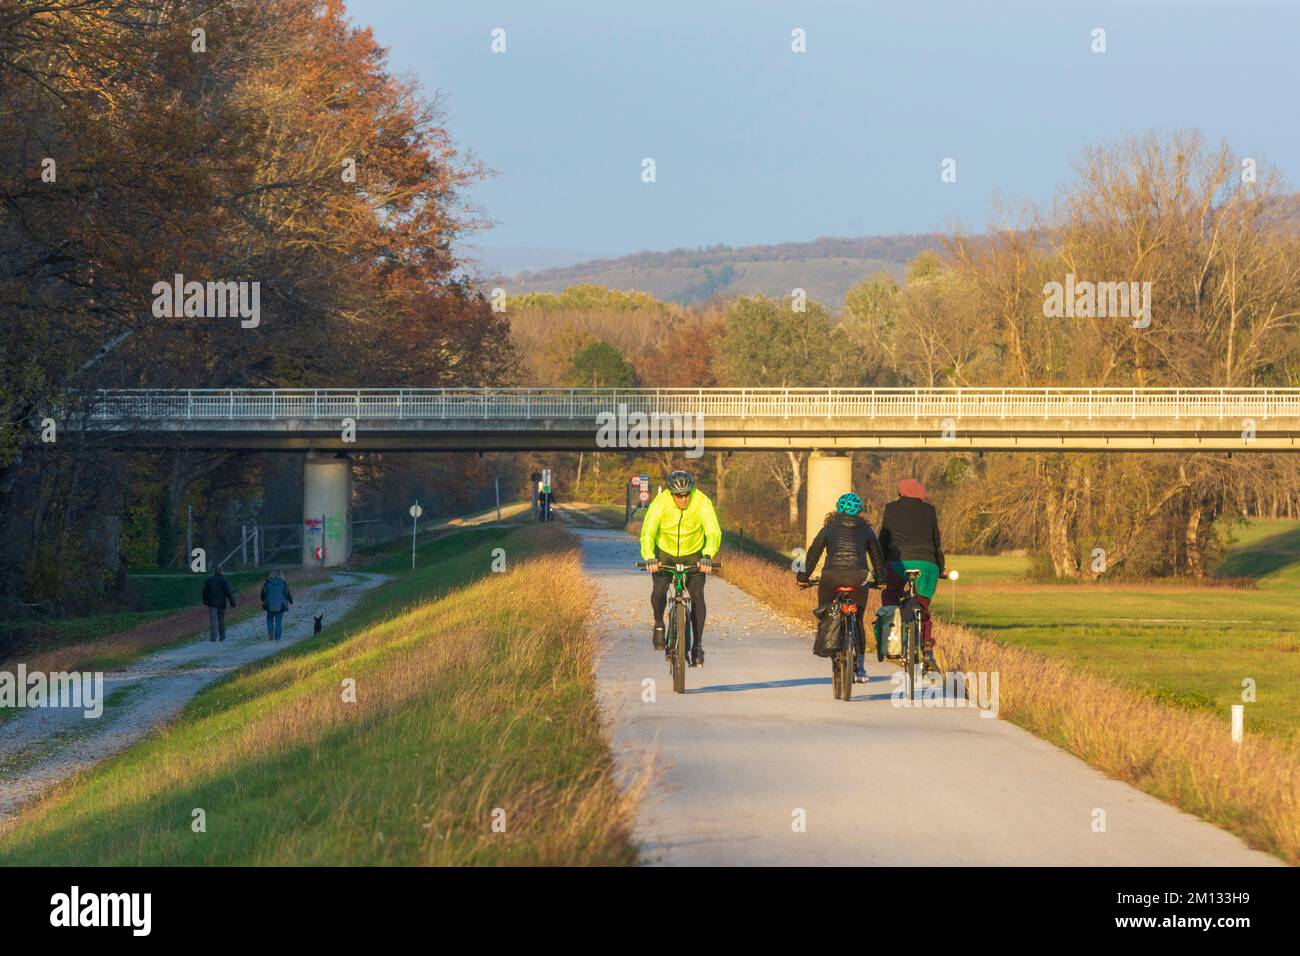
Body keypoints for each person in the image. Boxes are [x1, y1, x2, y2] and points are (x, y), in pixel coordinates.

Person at [796, 492, 886, 682]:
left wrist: (803, 578)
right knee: (858, 619)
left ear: (838, 509)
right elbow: (877, 558)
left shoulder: (829, 529)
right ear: (859, 511)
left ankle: (831, 645)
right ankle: (860, 668)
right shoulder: (867, 531)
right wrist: (881, 580)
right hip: (858, 578)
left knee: (827, 611)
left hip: (832, 577)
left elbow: (813, 553)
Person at [640, 470, 721, 667]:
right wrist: (649, 556)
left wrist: (708, 555)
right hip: (665, 553)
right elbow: (648, 531)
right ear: (671, 493)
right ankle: (659, 624)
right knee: (659, 589)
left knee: (697, 596)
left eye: (687, 494)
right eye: (679, 495)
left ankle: (697, 646)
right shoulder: (660, 502)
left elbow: (713, 530)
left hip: (694, 554)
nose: (683, 499)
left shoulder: (702, 502)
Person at [879, 478, 945, 670]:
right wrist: (940, 567)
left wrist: (881, 566)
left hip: (898, 562)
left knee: (890, 594)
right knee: (922, 603)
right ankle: (926, 647)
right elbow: (936, 541)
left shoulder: (891, 508)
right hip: (927, 563)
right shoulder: (929, 510)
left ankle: (893, 637)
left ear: (900, 493)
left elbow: (884, 537)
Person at [201, 567, 237, 642]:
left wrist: (205, 600)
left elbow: (205, 591)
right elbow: (229, 592)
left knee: (213, 621)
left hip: (212, 603)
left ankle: (213, 637)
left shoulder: (209, 580)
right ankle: (222, 636)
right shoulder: (224, 580)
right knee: (221, 620)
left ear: (214, 572)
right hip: (221, 603)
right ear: (221, 572)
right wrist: (232, 603)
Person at [260, 569, 294, 642]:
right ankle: (277, 638)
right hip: (280, 605)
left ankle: (270, 631)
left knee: (269, 619)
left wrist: (263, 599)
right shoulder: (283, 583)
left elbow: (263, 592)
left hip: (269, 604)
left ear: (271, 574)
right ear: (281, 574)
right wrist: (291, 600)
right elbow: (287, 593)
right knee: (278, 622)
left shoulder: (268, 582)